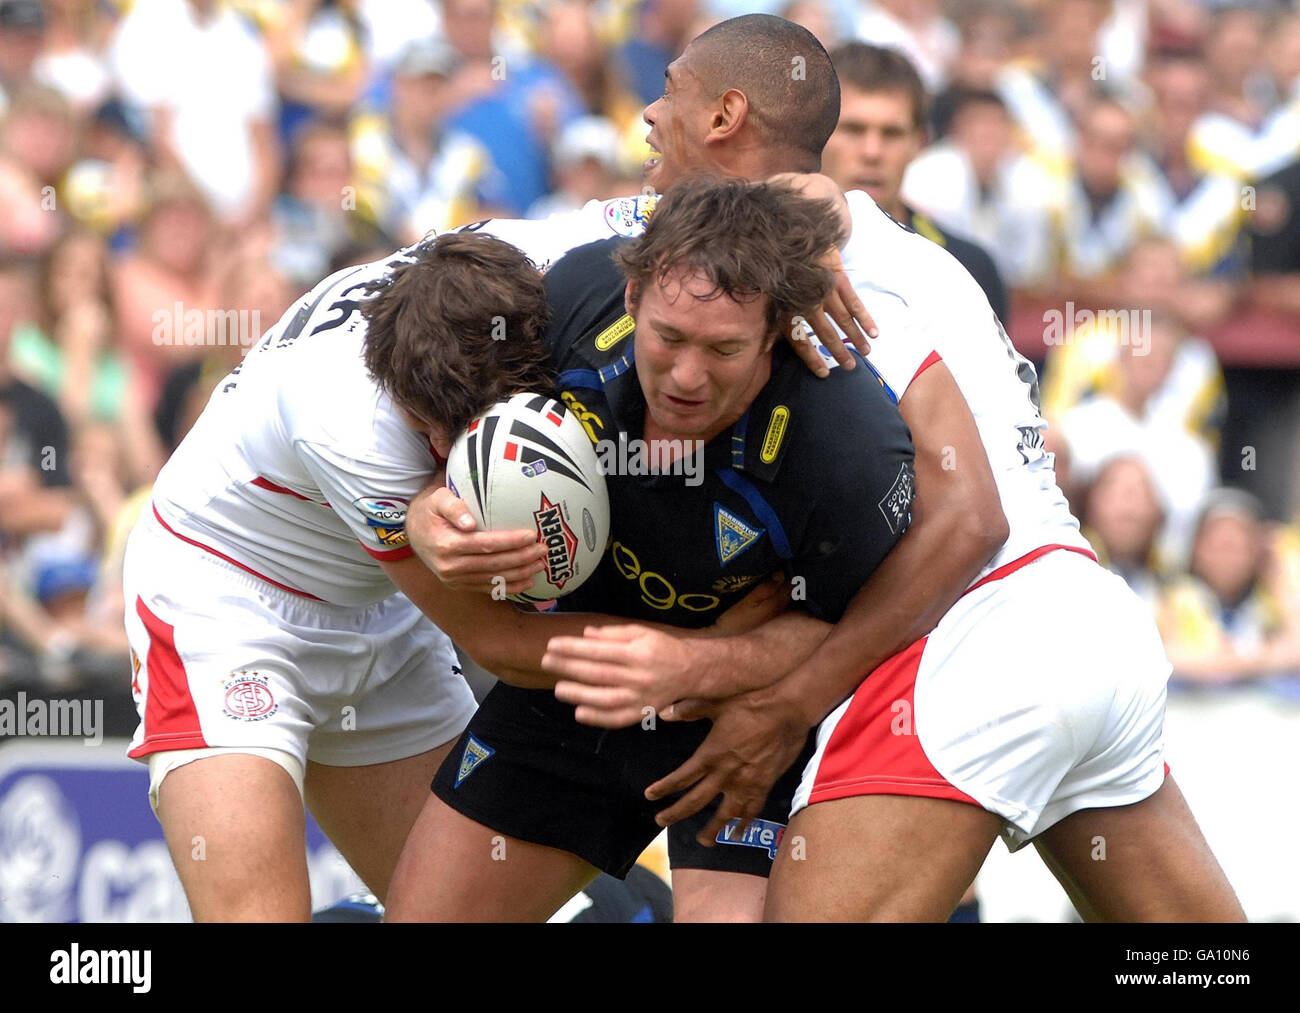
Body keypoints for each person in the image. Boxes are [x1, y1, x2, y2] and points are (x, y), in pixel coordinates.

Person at [499, 13, 1242, 921]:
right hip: (1092, 629)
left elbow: (971, 520)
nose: (651, 115)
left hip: (985, 625)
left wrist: (788, 704)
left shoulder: (816, 264)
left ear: (727, 115)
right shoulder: (886, 246)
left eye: (674, 93)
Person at [386, 175, 918, 924]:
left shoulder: (848, 446)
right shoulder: (570, 300)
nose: (688, 377)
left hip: (748, 723)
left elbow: (851, 631)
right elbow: (452, 428)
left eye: (724, 348)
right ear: (632, 297)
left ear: (776, 333)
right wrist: (422, 512)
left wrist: (696, 663)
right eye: (667, 337)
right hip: (576, 693)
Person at [821, 41, 1007, 323]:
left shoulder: (969, 267)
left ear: (919, 144)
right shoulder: (771, 256)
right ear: (816, 135)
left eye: (892, 133)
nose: (873, 152)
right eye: (853, 129)